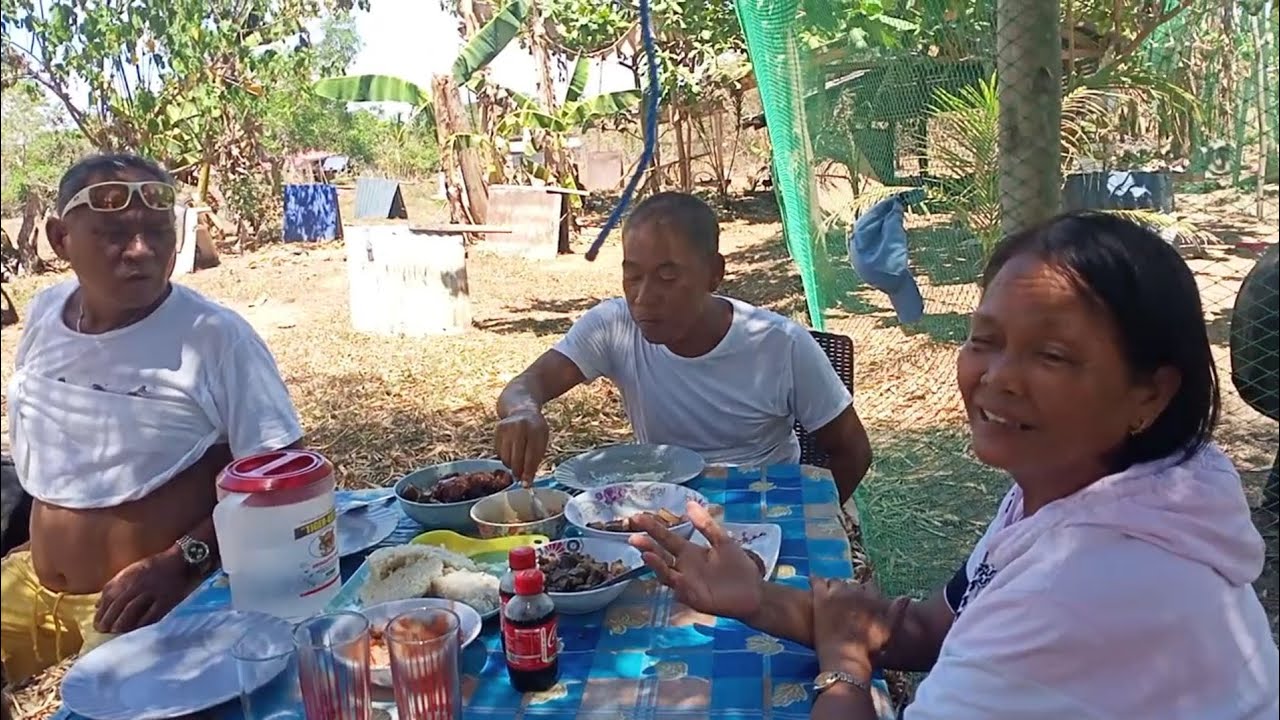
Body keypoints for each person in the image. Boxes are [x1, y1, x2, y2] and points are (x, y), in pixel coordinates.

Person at [631, 212, 1280, 719]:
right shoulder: (1092, 492)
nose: (998, 379)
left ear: (1151, 392)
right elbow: (926, 629)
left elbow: (877, 649)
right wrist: (759, 600)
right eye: (984, 340)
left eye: (1052, 355)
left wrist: (845, 671)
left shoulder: (1082, 587)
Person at [1, 154, 304, 683]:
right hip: (32, 580)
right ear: (59, 238)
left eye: (158, 232)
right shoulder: (45, 313)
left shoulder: (213, 337)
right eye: (113, 233)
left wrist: (183, 560)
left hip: (144, 596)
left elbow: (279, 477)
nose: (140, 251)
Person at [494, 192, 872, 502]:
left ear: (714, 273)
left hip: (763, 507)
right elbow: (526, 385)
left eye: (667, 276)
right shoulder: (614, 326)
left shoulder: (780, 346)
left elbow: (853, 451)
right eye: (632, 276)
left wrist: (805, 518)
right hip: (663, 511)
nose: (643, 297)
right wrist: (523, 411)